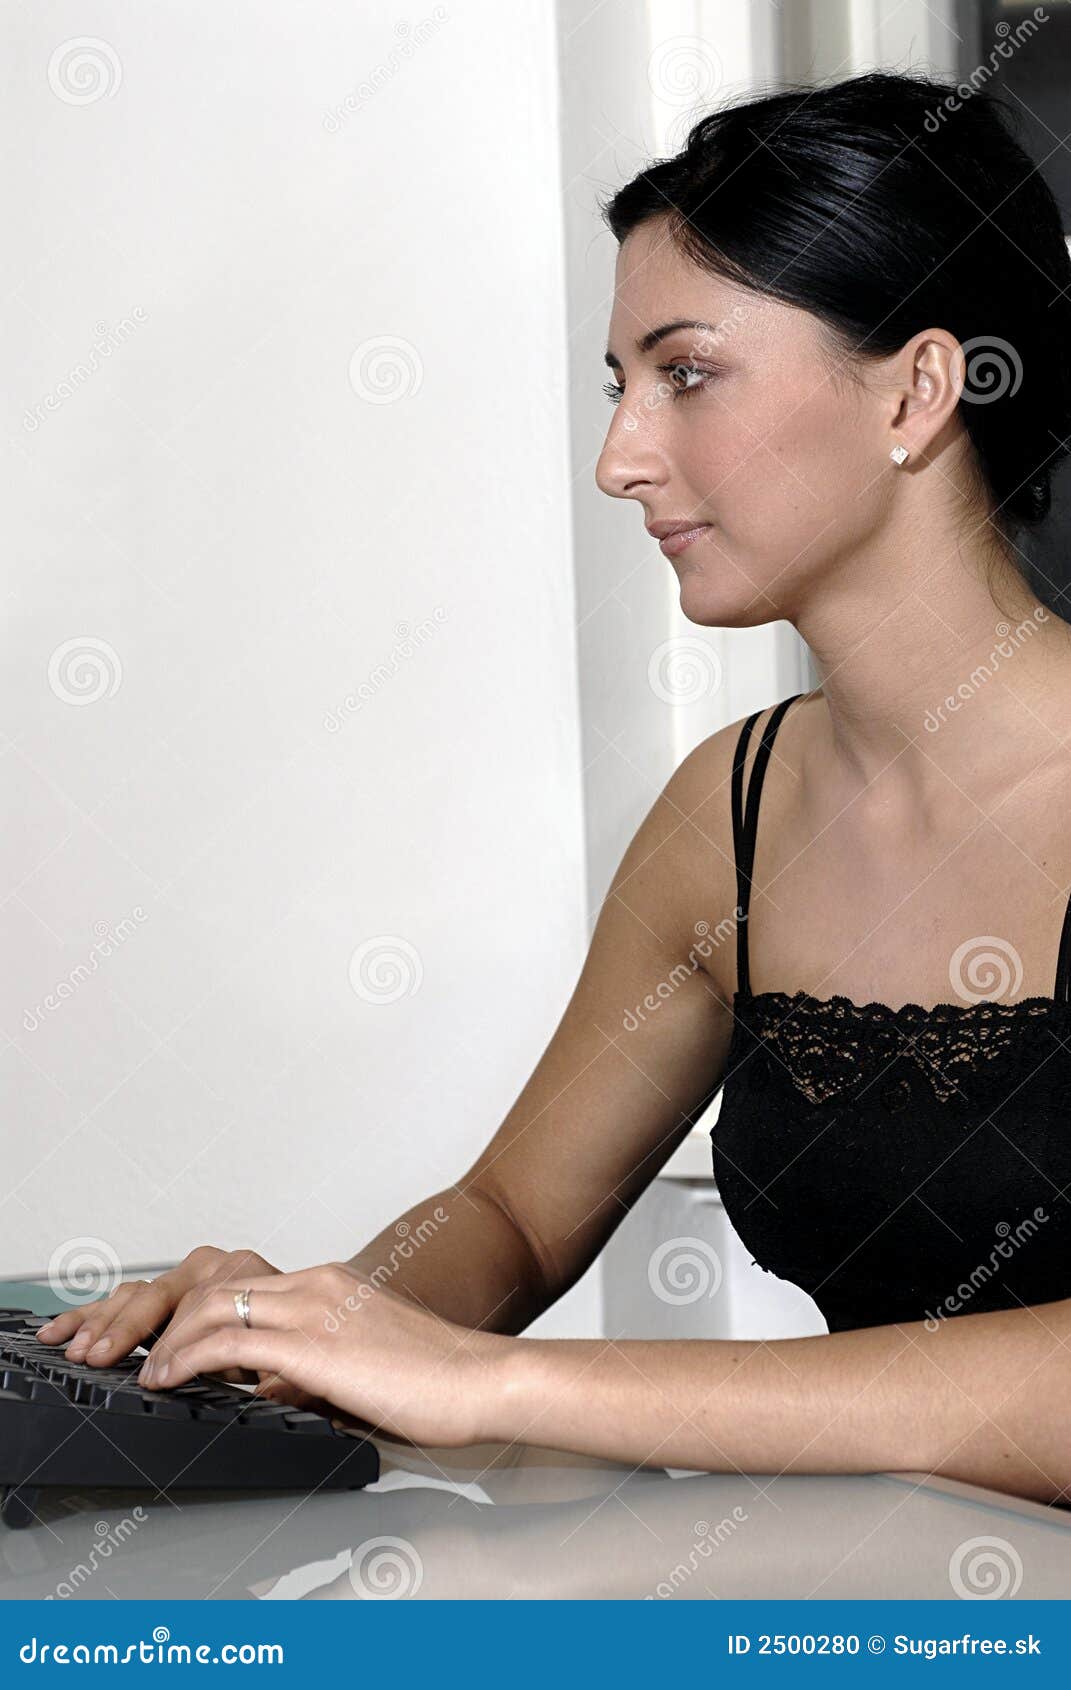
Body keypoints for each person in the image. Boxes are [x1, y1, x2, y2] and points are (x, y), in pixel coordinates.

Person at [38, 69, 1071, 1505]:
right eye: (618, 386)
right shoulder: (734, 812)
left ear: (917, 388)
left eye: (686, 373)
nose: (618, 458)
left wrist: (499, 1383)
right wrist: (321, 1324)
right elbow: (513, 1217)